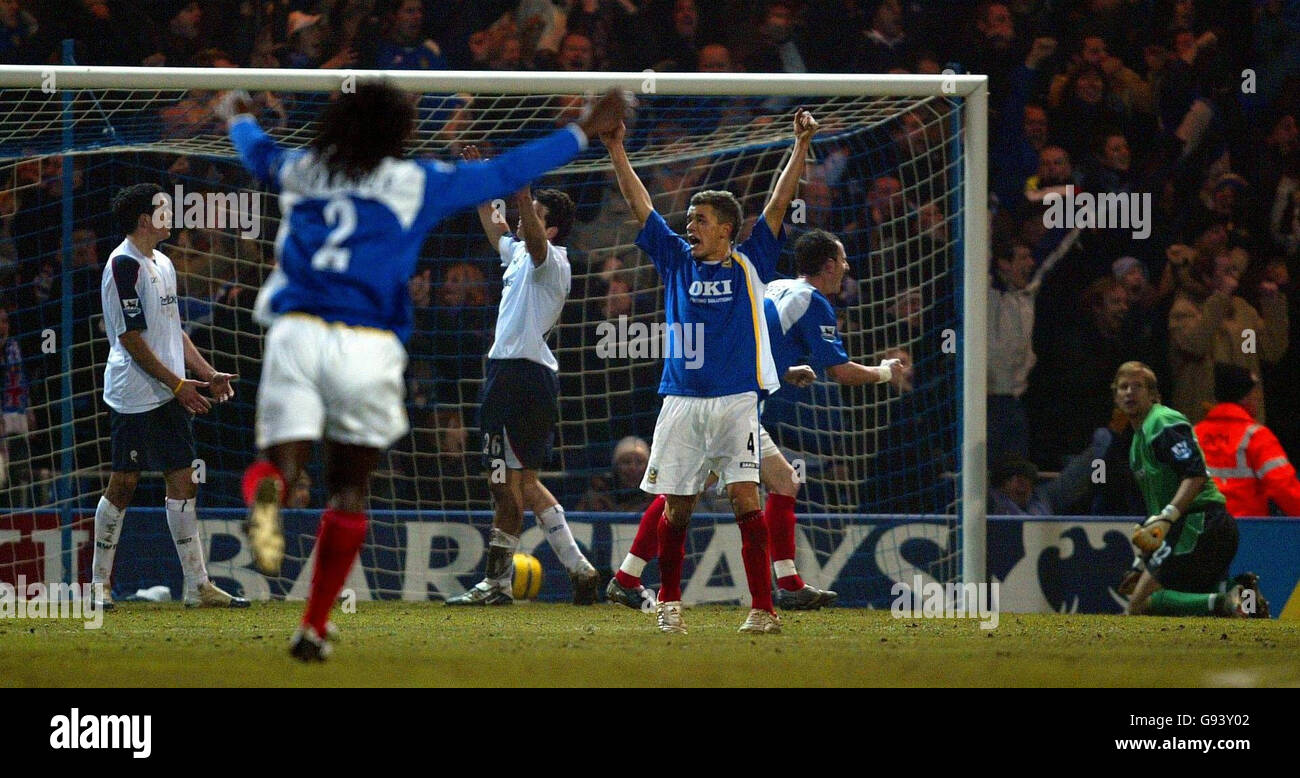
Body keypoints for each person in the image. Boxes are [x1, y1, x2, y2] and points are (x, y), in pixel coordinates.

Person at [225, 82, 627, 660]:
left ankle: (269, 488)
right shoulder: (414, 182)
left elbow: (254, 150)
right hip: (368, 339)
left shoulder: (301, 168)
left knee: (283, 462)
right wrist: (583, 130)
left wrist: (237, 111)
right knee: (350, 487)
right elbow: (508, 170)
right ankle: (313, 627)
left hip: (297, 327)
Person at [600, 109, 824, 635]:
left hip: (734, 402)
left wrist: (800, 145)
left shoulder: (751, 261)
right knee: (676, 509)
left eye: (700, 220)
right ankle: (671, 605)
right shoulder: (676, 260)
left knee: (746, 498)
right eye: (689, 220)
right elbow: (640, 204)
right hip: (679, 400)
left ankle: (764, 610)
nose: (689, 226)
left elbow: (776, 203)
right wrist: (615, 149)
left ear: (727, 229)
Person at [605, 229, 901, 613]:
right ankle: (630, 579)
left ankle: (789, 583)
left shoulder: (777, 287)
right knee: (685, 496)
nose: (846, 267)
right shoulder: (813, 302)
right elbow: (841, 372)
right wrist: (884, 372)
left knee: (783, 481)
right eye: (842, 261)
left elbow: (757, 338)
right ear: (828, 266)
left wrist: (783, 370)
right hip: (730, 406)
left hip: (732, 396)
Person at [446, 146, 599, 606]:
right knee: (526, 483)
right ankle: (579, 568)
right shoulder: (517, 254)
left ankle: (495, 584)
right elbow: (496, 227)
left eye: (532, 215)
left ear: (550, 227)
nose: (519, 219)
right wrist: (480, 181)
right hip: (529, 375)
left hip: (515, 377)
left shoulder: (551, 259)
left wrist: (524, 190)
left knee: (502, 484)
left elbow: (530, 238)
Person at [90, 183, 248, 611]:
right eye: (163, 208)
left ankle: (197, 586)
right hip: (134, 395)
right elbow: (131, 339)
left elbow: (172, 328)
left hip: (169, 391)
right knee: (124, 483)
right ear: (145, 220)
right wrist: (177, 385)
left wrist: (206, 373)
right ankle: (99, 585)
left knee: (183, 480)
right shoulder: (124, 266)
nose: (170, 213)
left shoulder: (162, 262)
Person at [1111, 362, 1265, 618]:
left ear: (1153, 394)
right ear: (1116, 396)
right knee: (1170, 596)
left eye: (1137, 386)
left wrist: (1169, 516)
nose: (1129, 392)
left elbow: (1195, 474)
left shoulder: (1161, 421)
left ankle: (1225, 602)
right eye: (1123, 387)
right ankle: (1239, 591)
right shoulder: (1137, 441)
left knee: (1140, 604)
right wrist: (1142, 564)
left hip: (1199, 523)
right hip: (1200, 526)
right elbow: (1159, 519)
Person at [1193, 363, 1300, 517]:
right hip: (1248, 530)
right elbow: (1284, 487)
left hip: (1200, 530)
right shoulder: (1256, 436)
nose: (1258, 397)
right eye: (1254, 392)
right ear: (1245, 397)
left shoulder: (1194, 434)